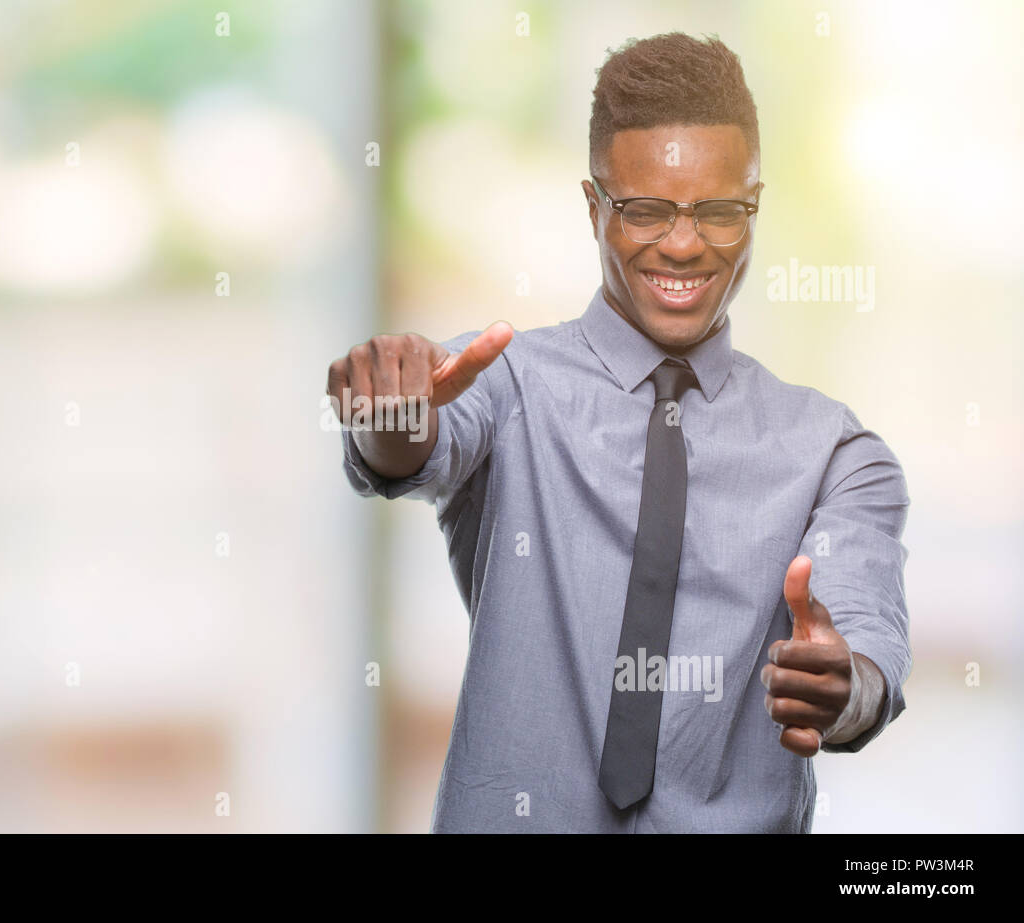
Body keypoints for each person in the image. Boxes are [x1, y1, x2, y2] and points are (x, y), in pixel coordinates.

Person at [326, 32, 909, 833]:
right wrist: (391, 419)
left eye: (718, 211)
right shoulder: (502, 382)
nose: (682, 243)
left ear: (755, 206)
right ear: (595, 206)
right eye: (644, 210)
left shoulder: (832, 452)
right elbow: (415, 443)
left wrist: (846, 689)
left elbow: (867, 634)